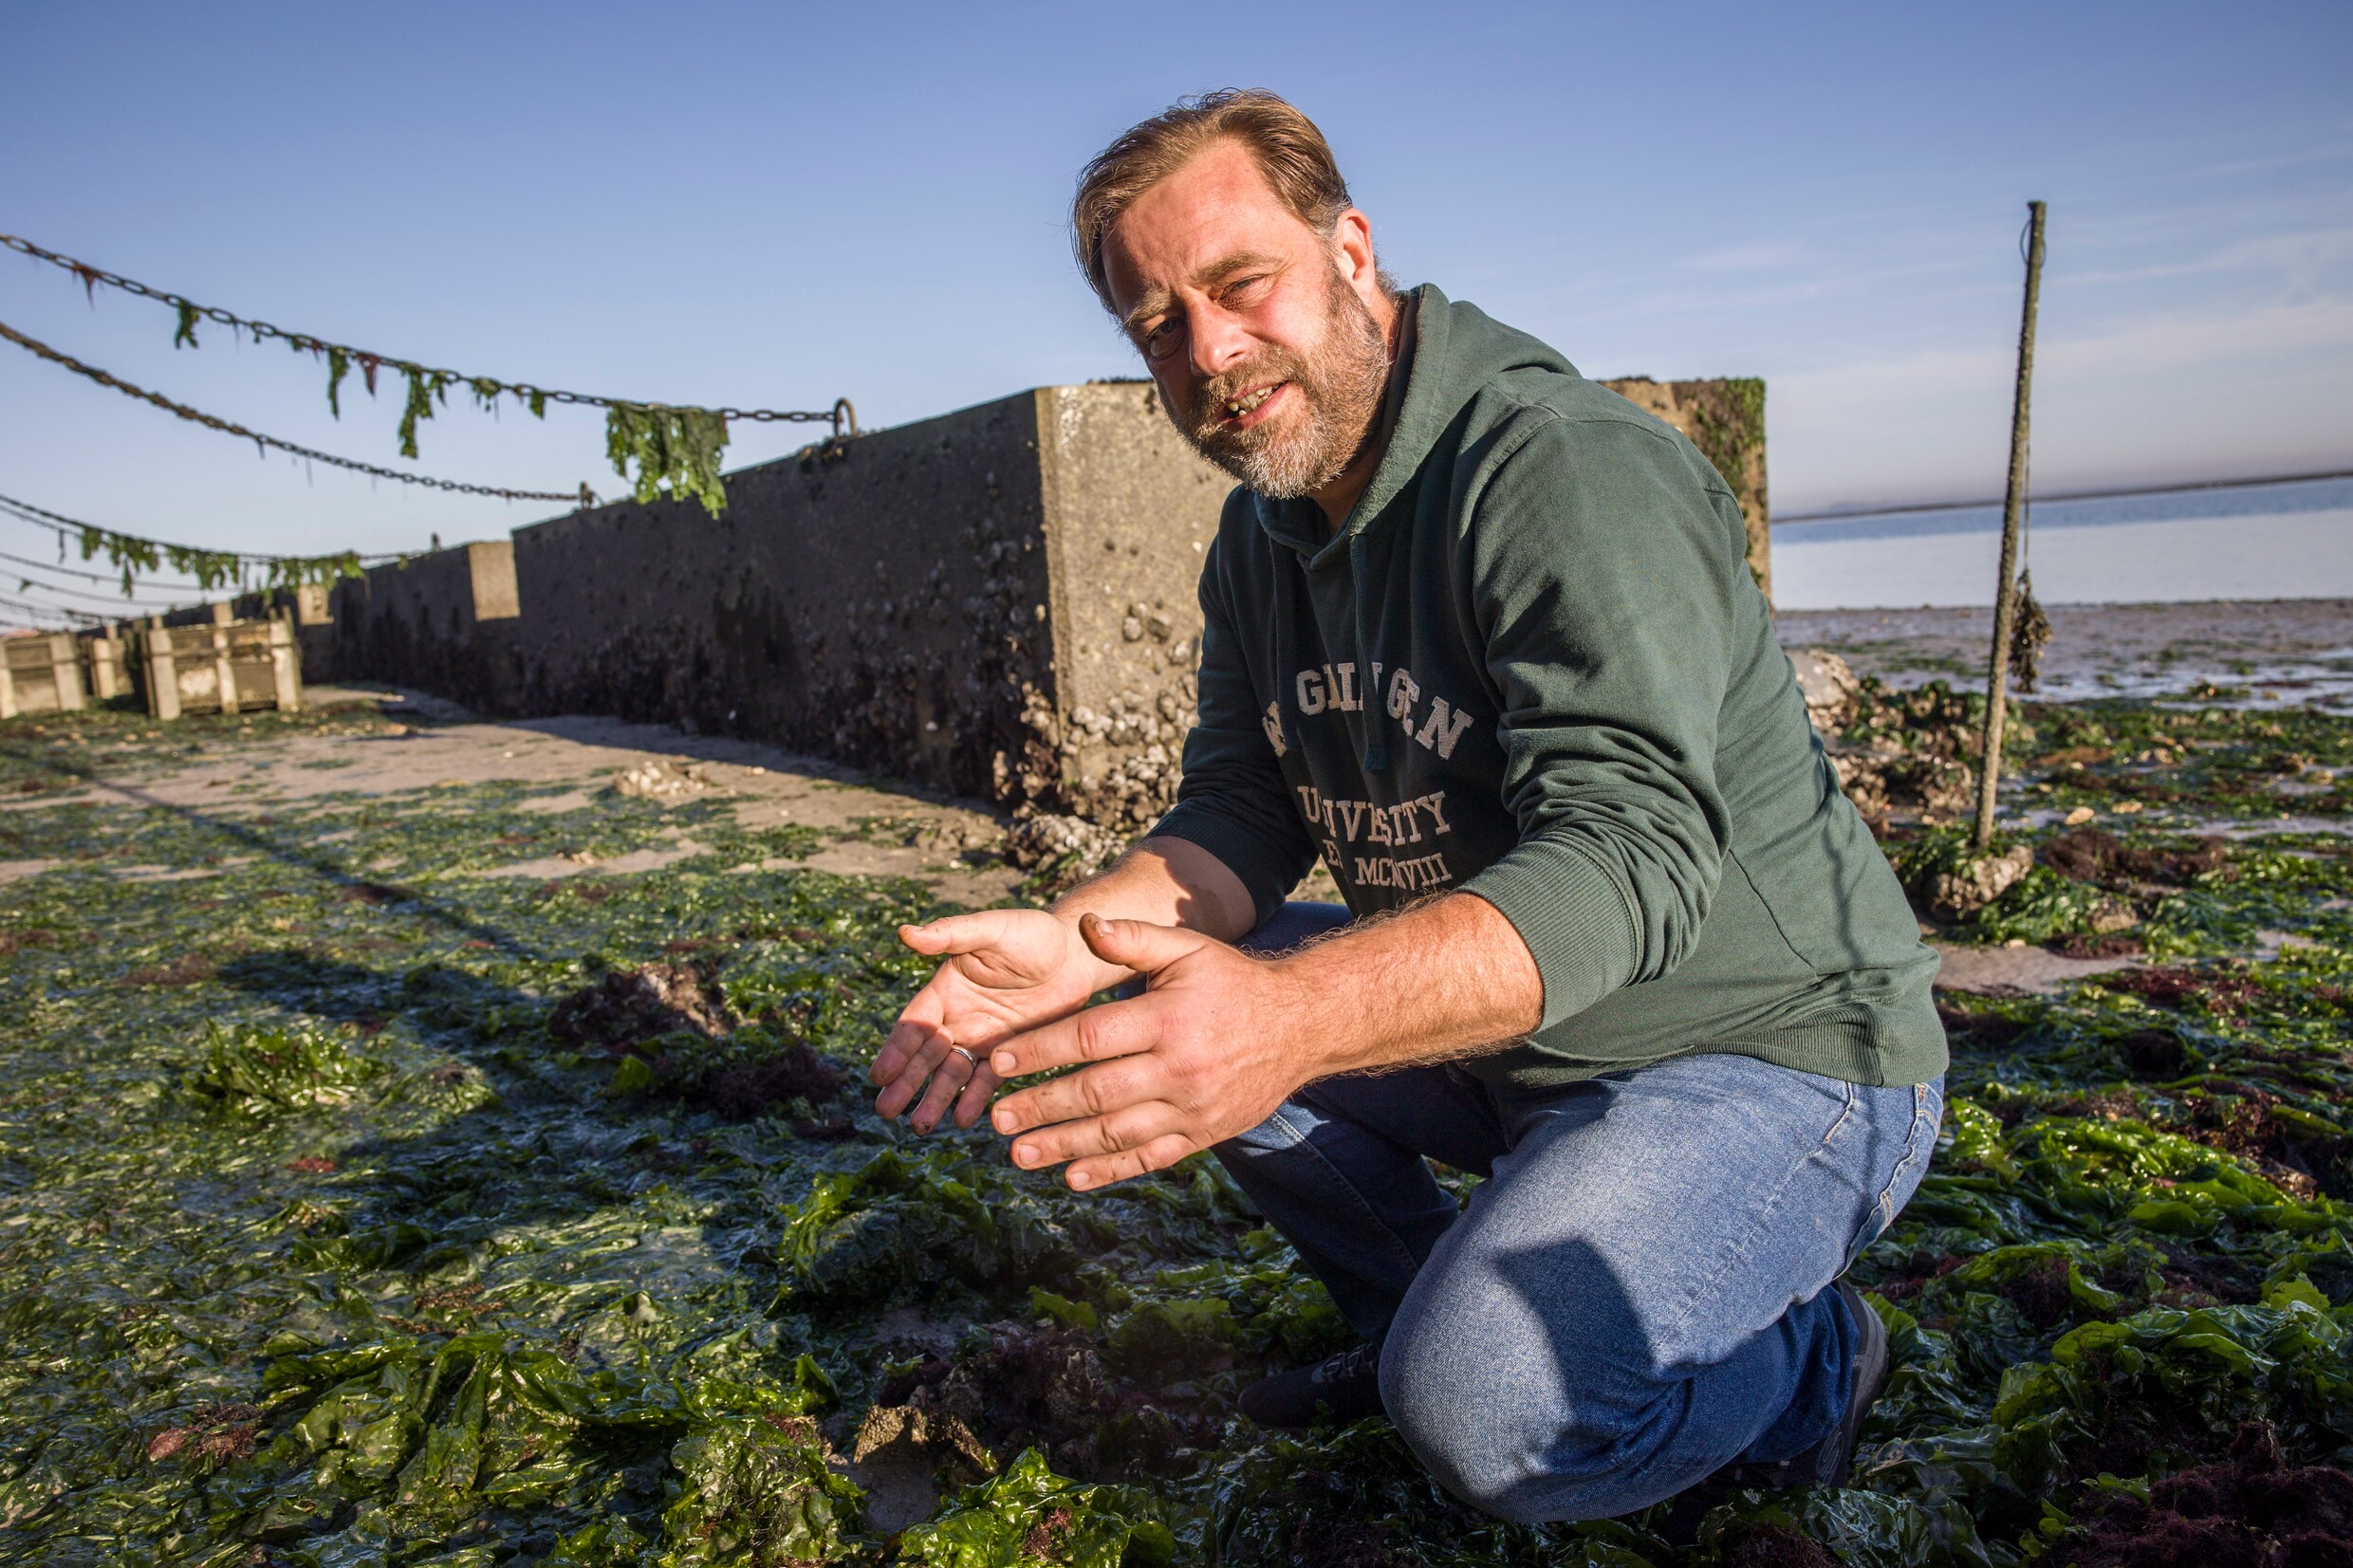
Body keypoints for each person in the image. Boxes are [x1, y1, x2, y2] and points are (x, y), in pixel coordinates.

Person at [867, 89, 1946, 1524]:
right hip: (1520, 1051)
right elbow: (1239, 817)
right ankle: (1401, 1326)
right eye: (1155, 324)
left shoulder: (1558, 471)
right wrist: (1079, 941)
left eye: (1240, 285)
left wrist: (1289, 1021)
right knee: (1155, 987)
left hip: (1772, 1055)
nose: (1210, 353)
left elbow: (1635, 860)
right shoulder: (1261, 540)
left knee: (1488, 1410)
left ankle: (1815, 1364)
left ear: (1351, 252)